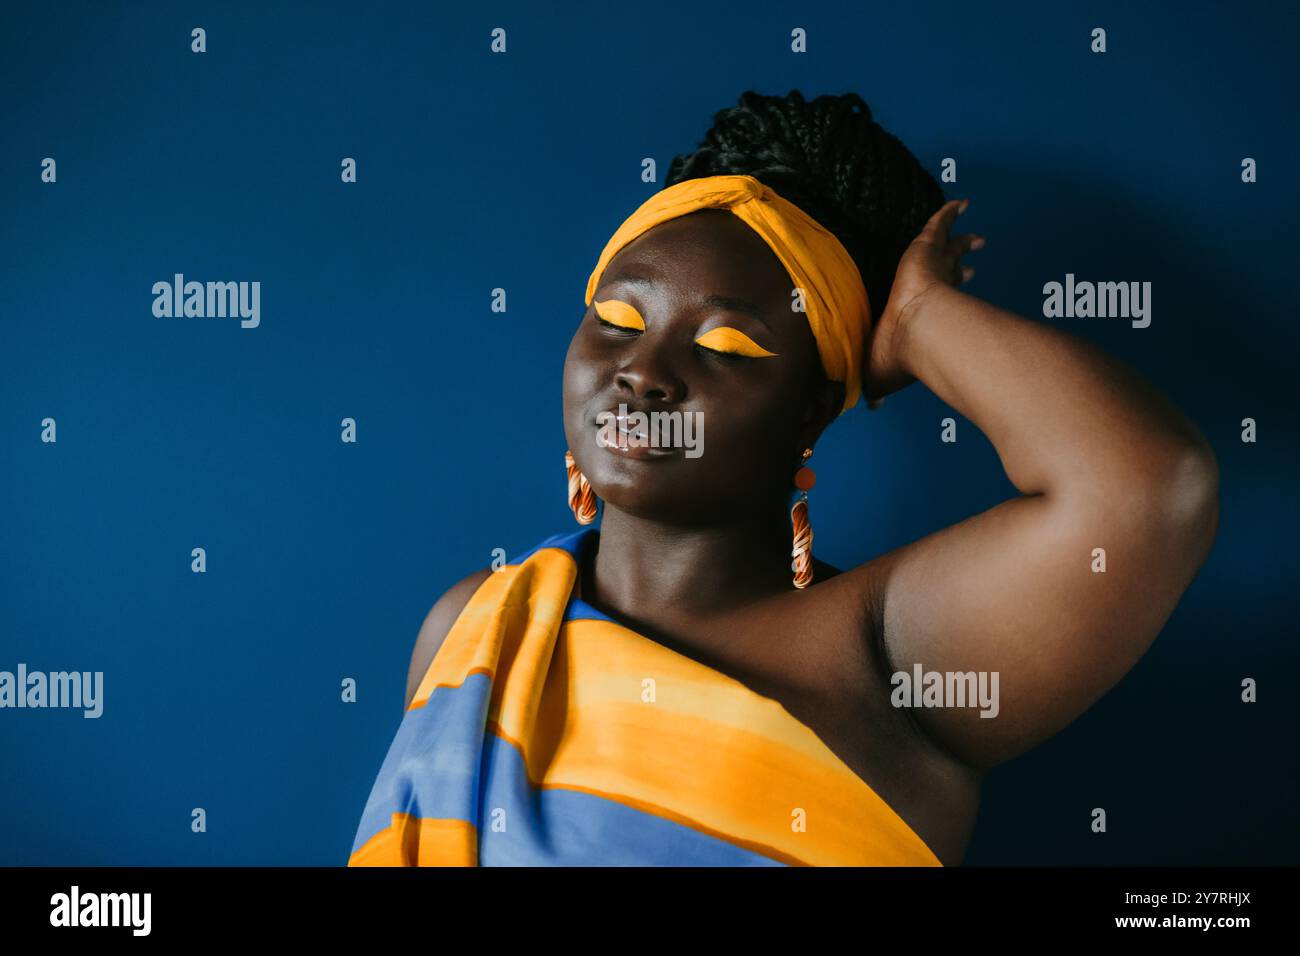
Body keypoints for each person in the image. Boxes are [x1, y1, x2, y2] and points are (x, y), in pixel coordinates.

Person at [348, 90, 1219, 867]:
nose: (643, 371)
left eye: (725, 345)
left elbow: (1146, 488)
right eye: (616, 320)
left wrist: (917, 318)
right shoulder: (470, 628)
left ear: (810, 409)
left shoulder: (887, 663)